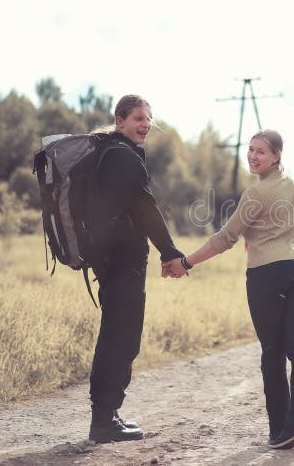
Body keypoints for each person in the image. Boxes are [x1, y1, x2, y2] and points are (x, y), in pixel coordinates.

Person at [163, 129, 294, 450]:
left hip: (268, 275)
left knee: (273, 351)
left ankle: (282, 430)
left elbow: (225, 238)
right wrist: (274, 245)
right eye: (250, 149)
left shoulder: (256, 194)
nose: (253, 156)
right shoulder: (293, 185)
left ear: (276, 156)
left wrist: (186, 262)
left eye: (261, 151)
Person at [88, 94, 186, 443]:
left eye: (148, 119)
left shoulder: (110, 152)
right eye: (138, 119)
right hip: (123, 260)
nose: (145, 125)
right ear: (120, 121)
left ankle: (106, 415)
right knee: (122, 337)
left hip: (111, 258)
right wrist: (170, 253)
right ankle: (103, 420)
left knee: (116, 333)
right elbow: (145, 208)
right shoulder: (122, 157)